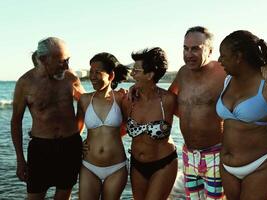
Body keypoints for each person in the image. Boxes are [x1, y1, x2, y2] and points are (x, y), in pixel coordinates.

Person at [216, 30, 267, 199]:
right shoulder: (228, 80)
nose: (219, 60)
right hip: (227, 167)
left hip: (262, 164)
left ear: (238, 57)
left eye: (223, 56)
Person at [11, 37, 85, 200]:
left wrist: (78, 132)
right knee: (35, 196)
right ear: (43, 59)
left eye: (68, 60)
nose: (66, 66)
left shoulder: (70, 77)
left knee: (64, 194)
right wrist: (20, 159)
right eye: (61, 61)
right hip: (41, 149)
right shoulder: (25, 83)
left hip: (70, 146)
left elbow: (86, 103)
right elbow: (16, 121)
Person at [169, 26, 226, 199]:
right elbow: (169, 100)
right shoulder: (183, 73)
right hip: (189, 154)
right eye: (185, 48)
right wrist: (138, 89)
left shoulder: (223, 72)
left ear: (210, 50)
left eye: (195, 49)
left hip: (216, 153)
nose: (189, 54)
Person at [123, 47, 178, 199]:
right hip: (136, 164)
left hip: (163, 163)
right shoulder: (129, 101)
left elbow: (192, 119)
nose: (132, 74)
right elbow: (117, 128)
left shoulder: (168, 100)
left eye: (136, 71)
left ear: (150, 75)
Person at [77, 52, 129, 199]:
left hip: (116, 167)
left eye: (97, 72)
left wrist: (112, 136)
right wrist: (78, 143)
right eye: (90, 72)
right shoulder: (84, 100)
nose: (92, 76)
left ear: (111, 75)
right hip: (89, 166)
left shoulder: (121, 98)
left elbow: (129, 126)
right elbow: (76, 130)